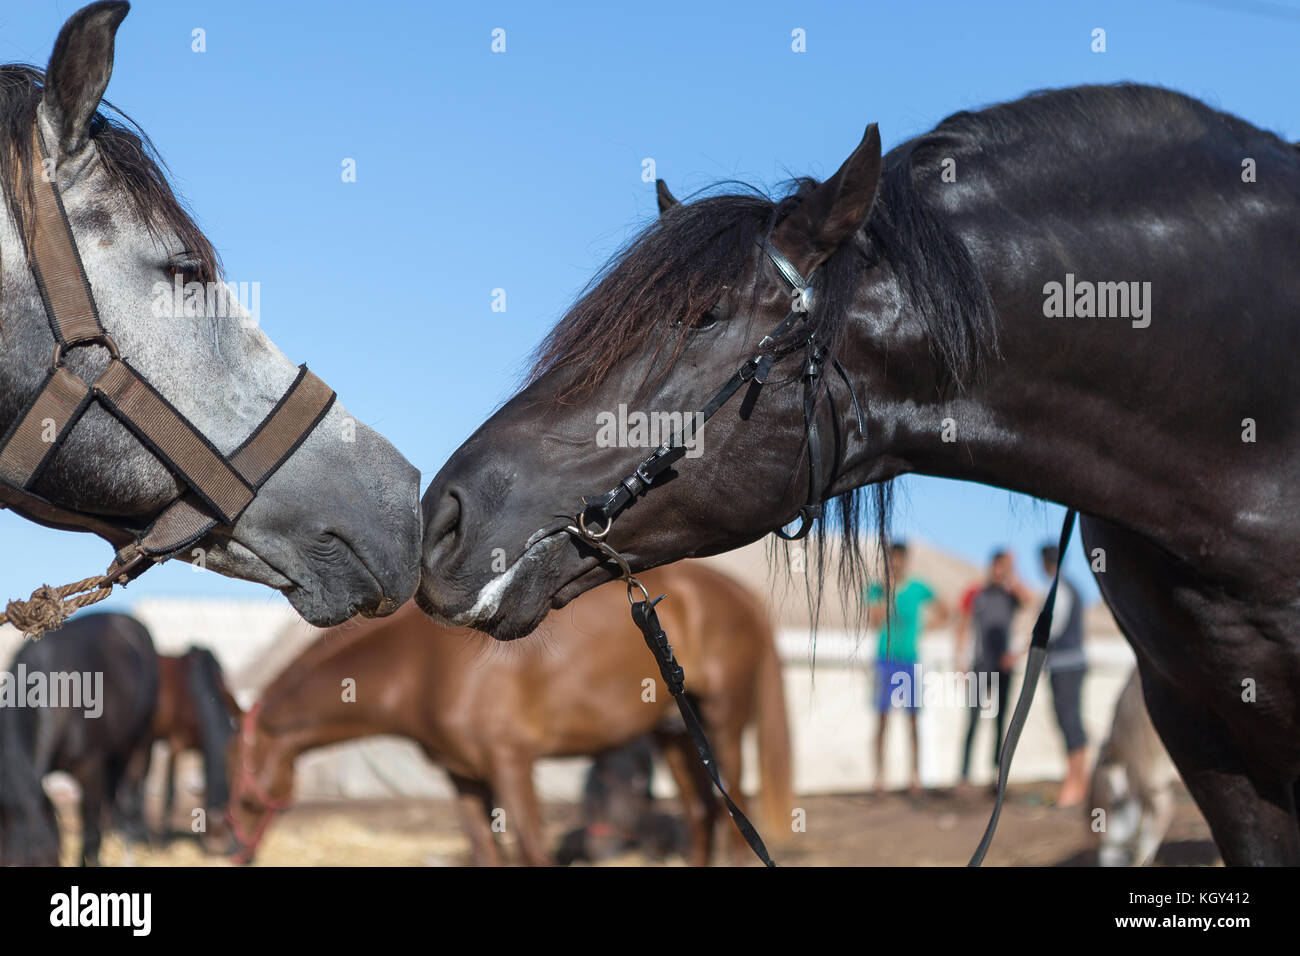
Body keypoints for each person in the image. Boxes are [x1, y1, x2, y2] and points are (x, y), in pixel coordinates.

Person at [866, 541, 948, 796]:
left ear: (906, 561)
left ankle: (915, 777)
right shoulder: (876, 589)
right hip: (884, 658)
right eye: (893, 558)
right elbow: (874, 621)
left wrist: (927, 629)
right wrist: (887, 593)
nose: (897, 563)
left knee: (913, 721)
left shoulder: (918, 588)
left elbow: (945, 610)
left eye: (901, 558)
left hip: (908, 660)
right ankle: (880, 779)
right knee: (882, 720)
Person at [956, 549, 1032, 791]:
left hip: (1003, 664)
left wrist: (1013, 574)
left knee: (1001, 721)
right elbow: (963, 625)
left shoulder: (1011, 596)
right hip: (981, 664)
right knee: (973, 719)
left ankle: (996, 774)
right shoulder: (976, 593)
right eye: (999, 566)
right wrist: (960, 661)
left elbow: (1030, 601)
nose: (1000, 571)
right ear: (991, 566)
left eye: (1005, 567)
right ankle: (964, 774)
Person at [1039, 543, 1090, 807]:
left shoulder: (1059, 590)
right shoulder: (1070, 588)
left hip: (1065, 666)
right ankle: (1077, 780)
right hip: (1071, 664)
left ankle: (1076, 782)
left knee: (1069, 720)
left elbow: (1052, 630)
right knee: (1071, 720)